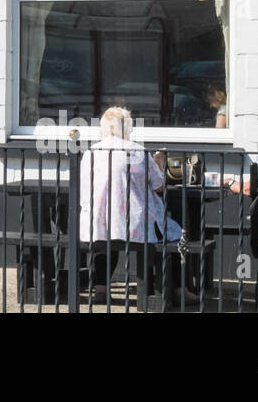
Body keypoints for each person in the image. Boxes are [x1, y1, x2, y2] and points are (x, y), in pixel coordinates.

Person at [79, 106, 198, 307]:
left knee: (108, 238)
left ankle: (100, 289)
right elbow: (159, 186)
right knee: (177, 234)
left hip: (97, 224)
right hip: (136, 226)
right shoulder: (138, 152)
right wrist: (158, 162)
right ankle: (179, 289)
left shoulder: (90, 153)